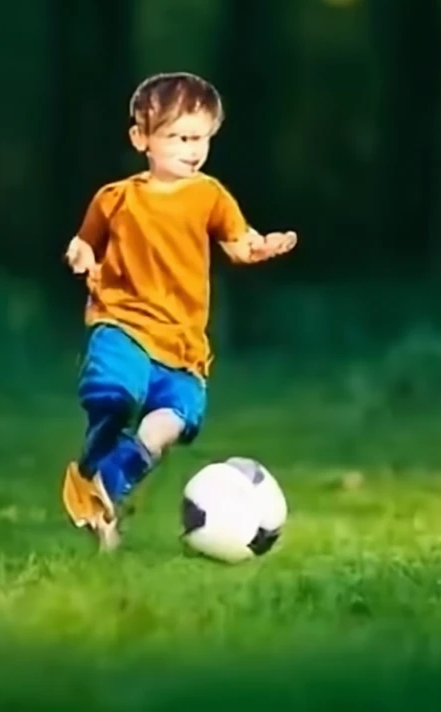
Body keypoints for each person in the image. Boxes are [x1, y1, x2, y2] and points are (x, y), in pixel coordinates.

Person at [60, 72, 297, 550]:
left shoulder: (209, 195)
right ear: (141, 138)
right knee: (115, 392)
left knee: (167, 424)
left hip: (184, 346)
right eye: (180, 137)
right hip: (123, 322)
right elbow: (84, 242)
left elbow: (237, 242)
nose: (193, 149)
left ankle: (106, 486)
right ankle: (94, 467)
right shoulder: (115, 198)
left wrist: (260, 246)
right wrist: (82, 254)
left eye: (202, 138)